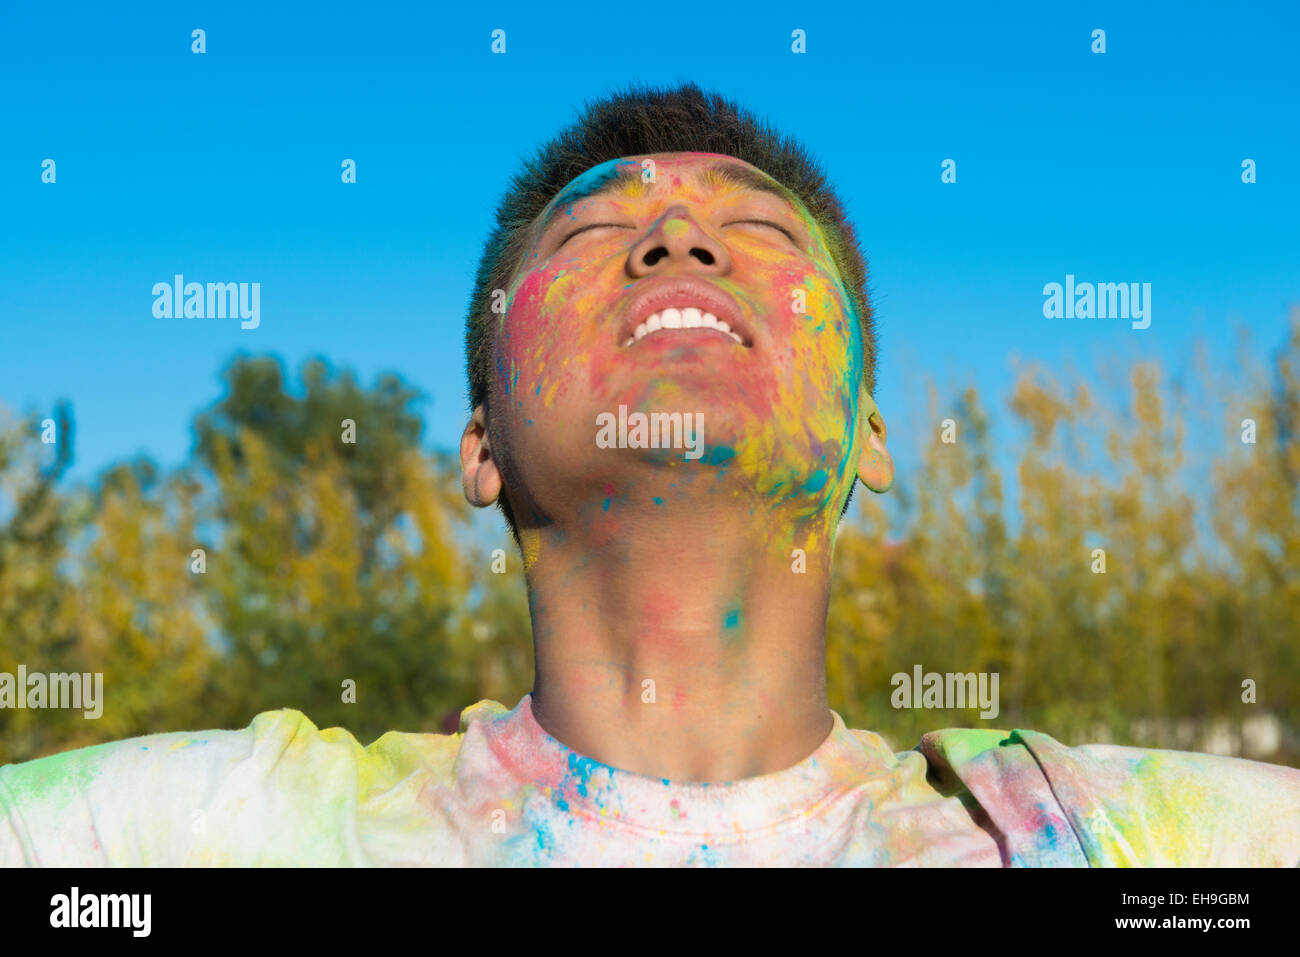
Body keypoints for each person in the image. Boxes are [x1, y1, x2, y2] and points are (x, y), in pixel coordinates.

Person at [2, 82, 1297, 867]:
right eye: (594, 231)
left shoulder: (1134, 844)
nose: (677, 234)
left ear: (874, 434)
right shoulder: (219, 833)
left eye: (756, 232)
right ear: (480, 442)